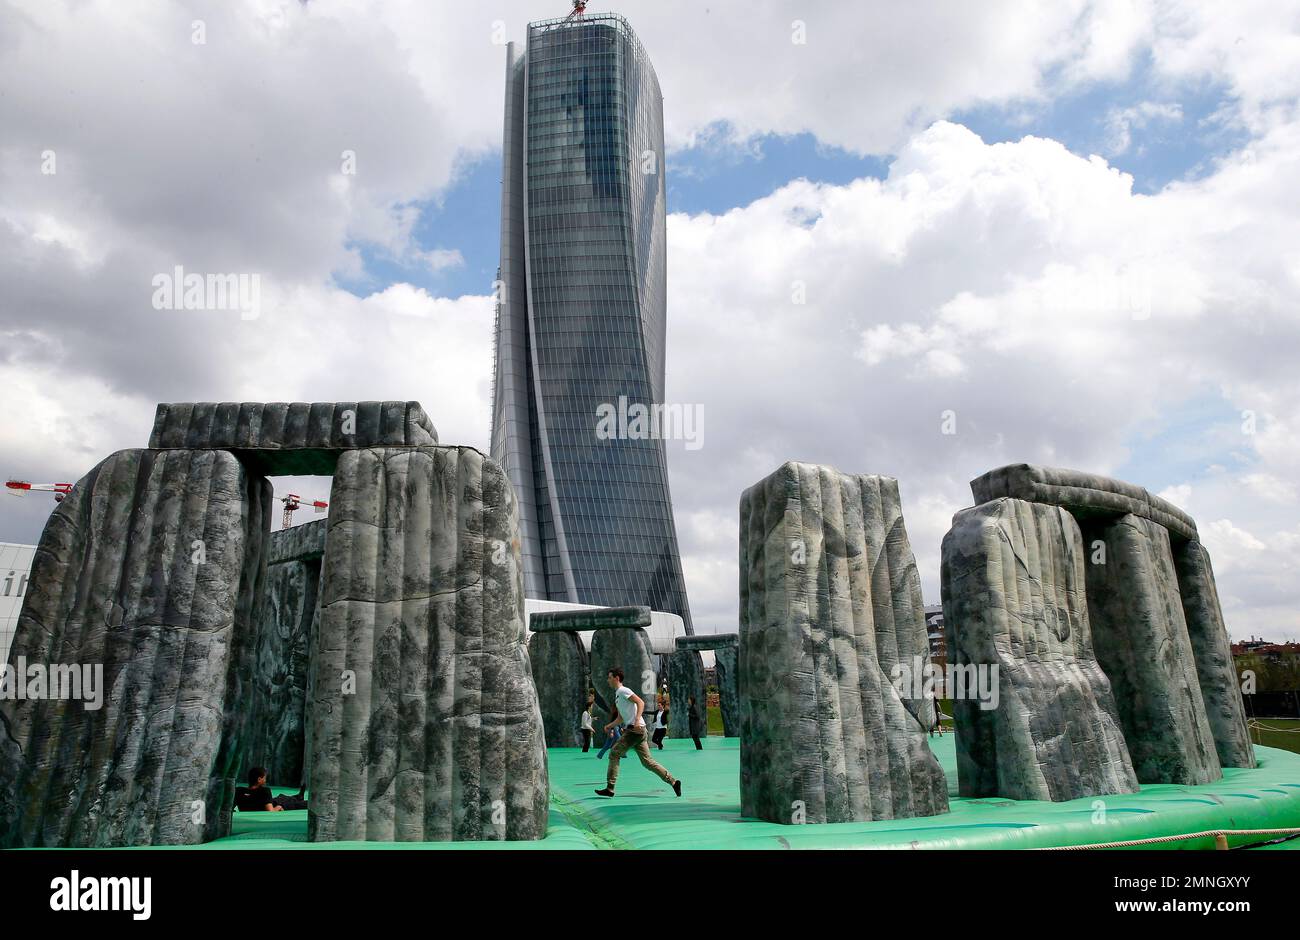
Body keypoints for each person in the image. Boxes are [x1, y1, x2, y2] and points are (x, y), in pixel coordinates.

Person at [595, 667, 681, 799]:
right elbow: (621, 718)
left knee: (614, 754)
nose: (608, 680)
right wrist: (609, 726)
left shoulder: (624, 691)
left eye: (609, 677)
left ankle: (610, 788)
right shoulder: (618, 694)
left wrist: (636, 720)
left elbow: (640, 702)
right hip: (639, 731)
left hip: (635, 730)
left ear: (616, 678)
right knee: (648, 762)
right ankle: (674, 782)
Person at [235, 767, 308, 812]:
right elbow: (270, 810)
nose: (265, 780)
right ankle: (299, 798)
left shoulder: (238, 791)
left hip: (268, 802)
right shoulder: (264, 791)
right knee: (292, 803)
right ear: (259, 779)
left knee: (281, 797)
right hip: (275, 805)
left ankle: (298, 797)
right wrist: (278, 807)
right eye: (264, 778)